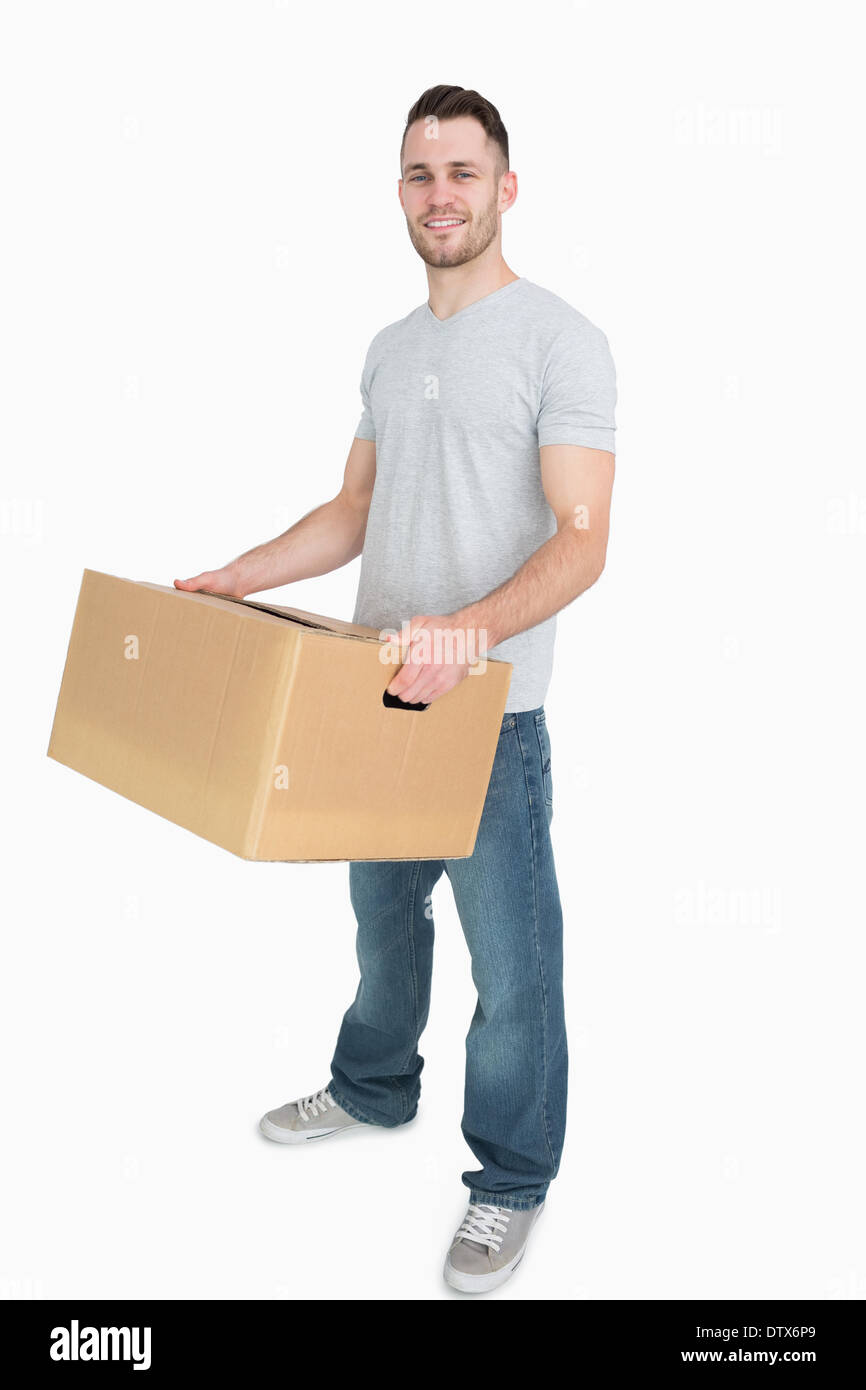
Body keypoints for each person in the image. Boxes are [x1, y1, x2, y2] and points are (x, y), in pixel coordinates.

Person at [175, 84, 617, 1295]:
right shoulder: (387, 347)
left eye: (462, 173)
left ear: (504, 187)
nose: (440, 195)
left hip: (488, 716)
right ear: (401, 191)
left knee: (514, 974)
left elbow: (584, 539)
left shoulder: (558, 340)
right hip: (372, 701)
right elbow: (352, 511)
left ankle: (510, 1180)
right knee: (381, 927)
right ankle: (373, 1089)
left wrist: (465, 637)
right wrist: (237, 577)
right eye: (420, 174)